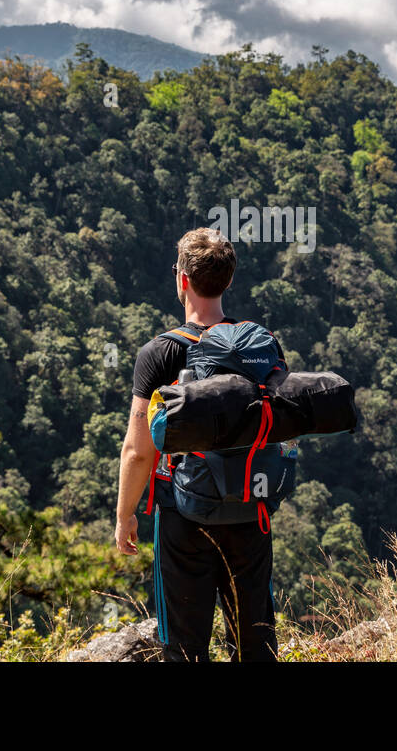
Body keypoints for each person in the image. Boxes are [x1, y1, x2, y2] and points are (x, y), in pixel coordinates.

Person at [115, 227, 281, 661]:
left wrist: (124, 515)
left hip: (183, 517)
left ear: (182, 279)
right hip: (251, 507)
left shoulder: (160, 353)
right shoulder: (259, 347)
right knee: (254, 643)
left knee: (184, 649)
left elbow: (138, 449)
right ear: (228, 280)